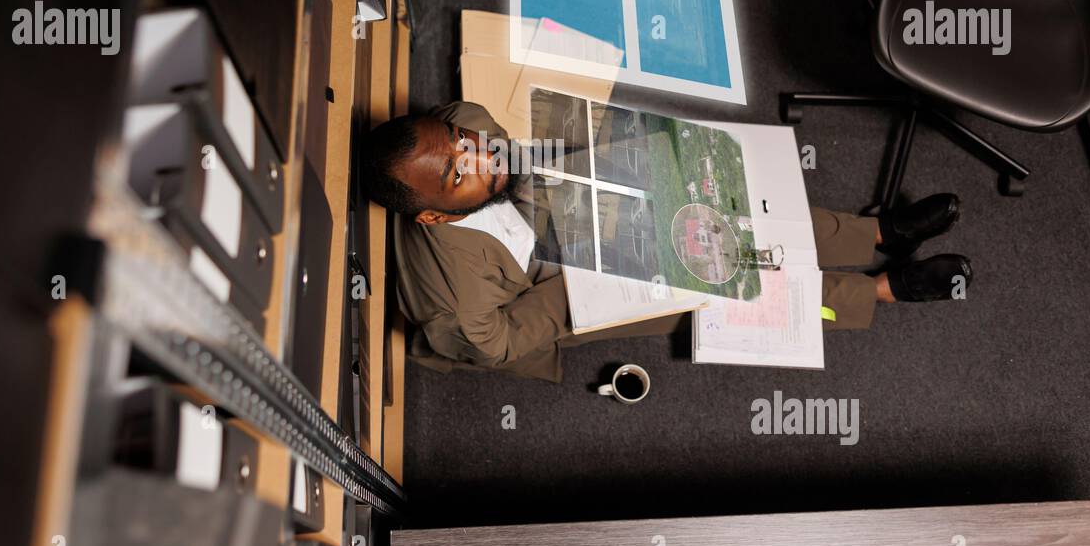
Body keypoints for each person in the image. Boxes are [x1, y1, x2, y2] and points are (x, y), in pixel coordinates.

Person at [362, 100, 972, 383]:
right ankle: (882, 290)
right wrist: (587, 282)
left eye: (458, 142)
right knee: (733, 294)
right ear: (434, 220)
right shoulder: (453, 301)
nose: (474, 154)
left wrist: (513, 172)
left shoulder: (456, 136)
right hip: (564, 290)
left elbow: (472, 118)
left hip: (570, 203)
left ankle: (878, 231)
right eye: (456, 173)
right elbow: (494, 346)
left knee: (734, 210)